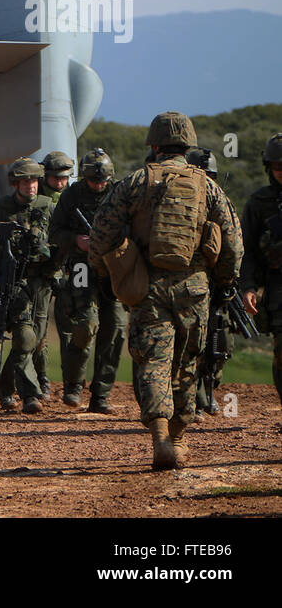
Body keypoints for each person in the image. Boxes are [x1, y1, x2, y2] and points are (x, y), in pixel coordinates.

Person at [89, 112, 242, 470]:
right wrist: (224, 284)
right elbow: (233, 243)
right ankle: (177, 438)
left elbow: (101, 236)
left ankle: (159, 437)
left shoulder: (136, 182)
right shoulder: (207, 186)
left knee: (154, 360)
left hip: (148, 286)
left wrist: (108, 273)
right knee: (187, 362)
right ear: (187, 146)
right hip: (195, 288)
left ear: (154, 146)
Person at [0, 159, 55, 413]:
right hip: (13, 280)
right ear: (16, 183)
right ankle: (30, 394)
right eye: (26, 181)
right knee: (25, 335)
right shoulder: (1, 208)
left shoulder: (49, 206)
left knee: (33, 339)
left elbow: (62, 238)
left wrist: (49, 253)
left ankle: (5, 386)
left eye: (35, 181)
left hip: (42, 281)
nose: (31, 186)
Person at [47, 148, 128, 412]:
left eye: (102, 181)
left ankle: (100, 396)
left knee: (114, 329)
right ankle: (73, 384)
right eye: (93, 181)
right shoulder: (71, 195)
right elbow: (55, 231)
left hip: (112, 268)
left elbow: (133, 228)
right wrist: (76, 241)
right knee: (85, 325)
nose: (98, 185)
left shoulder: (120, 194)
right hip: (81, 267)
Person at [186, 147, 235, 417]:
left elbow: (233, 244)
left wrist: (229, 279)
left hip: (217, 282)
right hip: (192, 282)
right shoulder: (181, 202)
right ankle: (194, 397)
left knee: (219, 341)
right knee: (192, 341)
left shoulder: (222, 203)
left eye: (210, 176)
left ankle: (210, 389)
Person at [240, 133, 282, 404]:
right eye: (279, 167)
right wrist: (248, 287)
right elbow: (248, 252)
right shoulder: (260, 203)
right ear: (269, 167)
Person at [35, 150, 74, 398]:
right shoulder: (35, 199)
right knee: (39, 331)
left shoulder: (73, 197)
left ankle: (72, 384)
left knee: (70, 330)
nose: (60, 182)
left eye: (64, 178)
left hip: (70, 270)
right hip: (42, 270)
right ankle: (42, 381)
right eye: (55, 178)